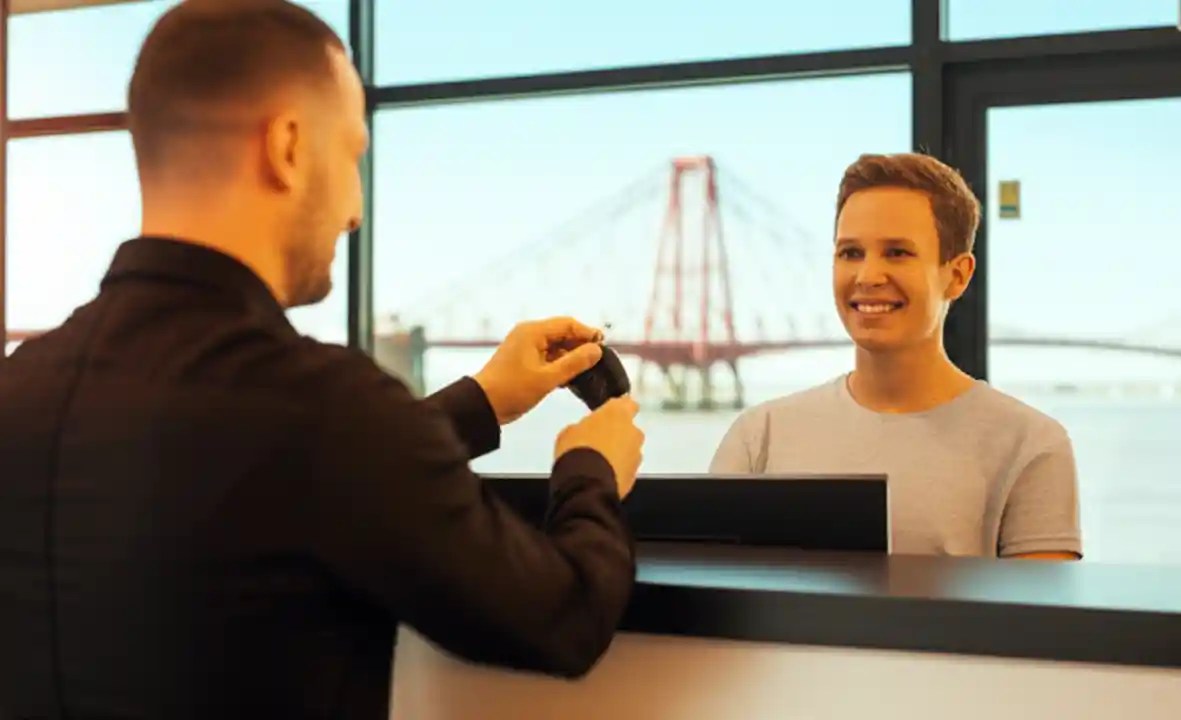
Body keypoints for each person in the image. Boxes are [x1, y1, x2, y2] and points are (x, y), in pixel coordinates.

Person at [0, 1, 644, 718]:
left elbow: (267, 475)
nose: (356, 208)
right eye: (353, 154)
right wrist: (591, 470)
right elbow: (566, 616)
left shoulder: (20, 386)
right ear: (289, 147)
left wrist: (484, 400)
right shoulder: (326, 411)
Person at [709, 152, 1080, 561]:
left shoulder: (1031, 445)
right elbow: (712, 607)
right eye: (850, 253)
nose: (868, 276)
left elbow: (1038, 623)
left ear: (957, 275)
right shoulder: (758, 436)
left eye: (897, 253)